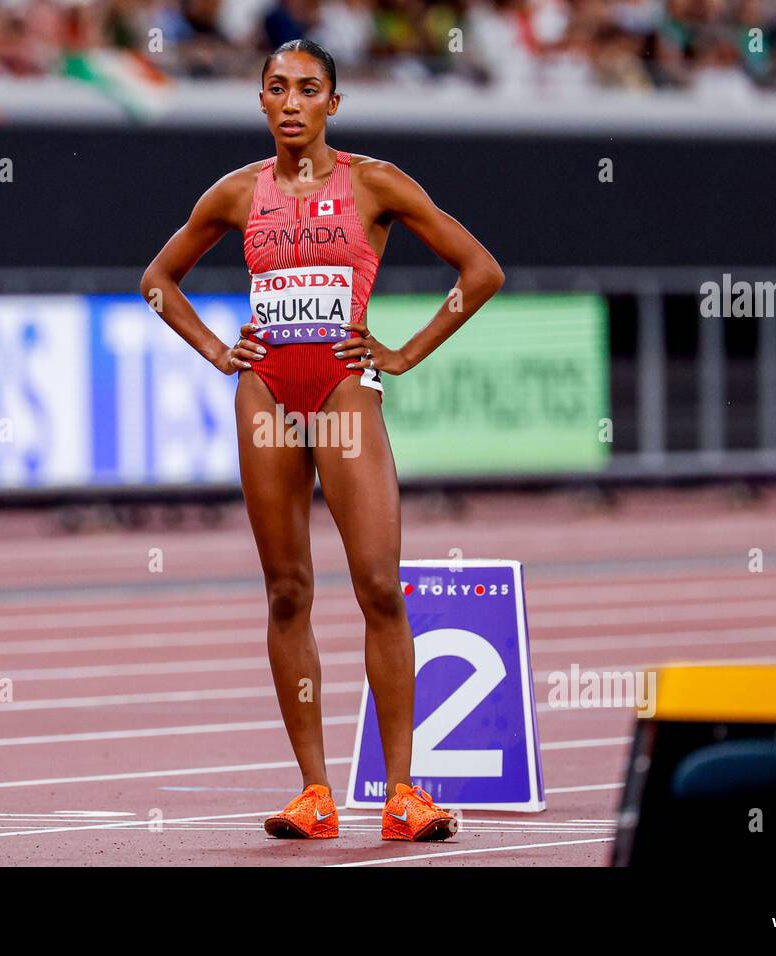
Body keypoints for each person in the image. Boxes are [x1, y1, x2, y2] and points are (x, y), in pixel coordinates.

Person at [139, 38, 504, 842]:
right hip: (265, 392)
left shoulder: (374, 184)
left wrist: (403, 351)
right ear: (262, 103)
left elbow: (480, 270)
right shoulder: (236, 194)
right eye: (278, 88)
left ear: (332, 104)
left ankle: (404, 794)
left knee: (378, 583)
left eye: (309, 88)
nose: (293, 101)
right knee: (286, 592)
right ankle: (315, 792)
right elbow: (156, 282)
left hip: (342, 389)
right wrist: (213, 349)